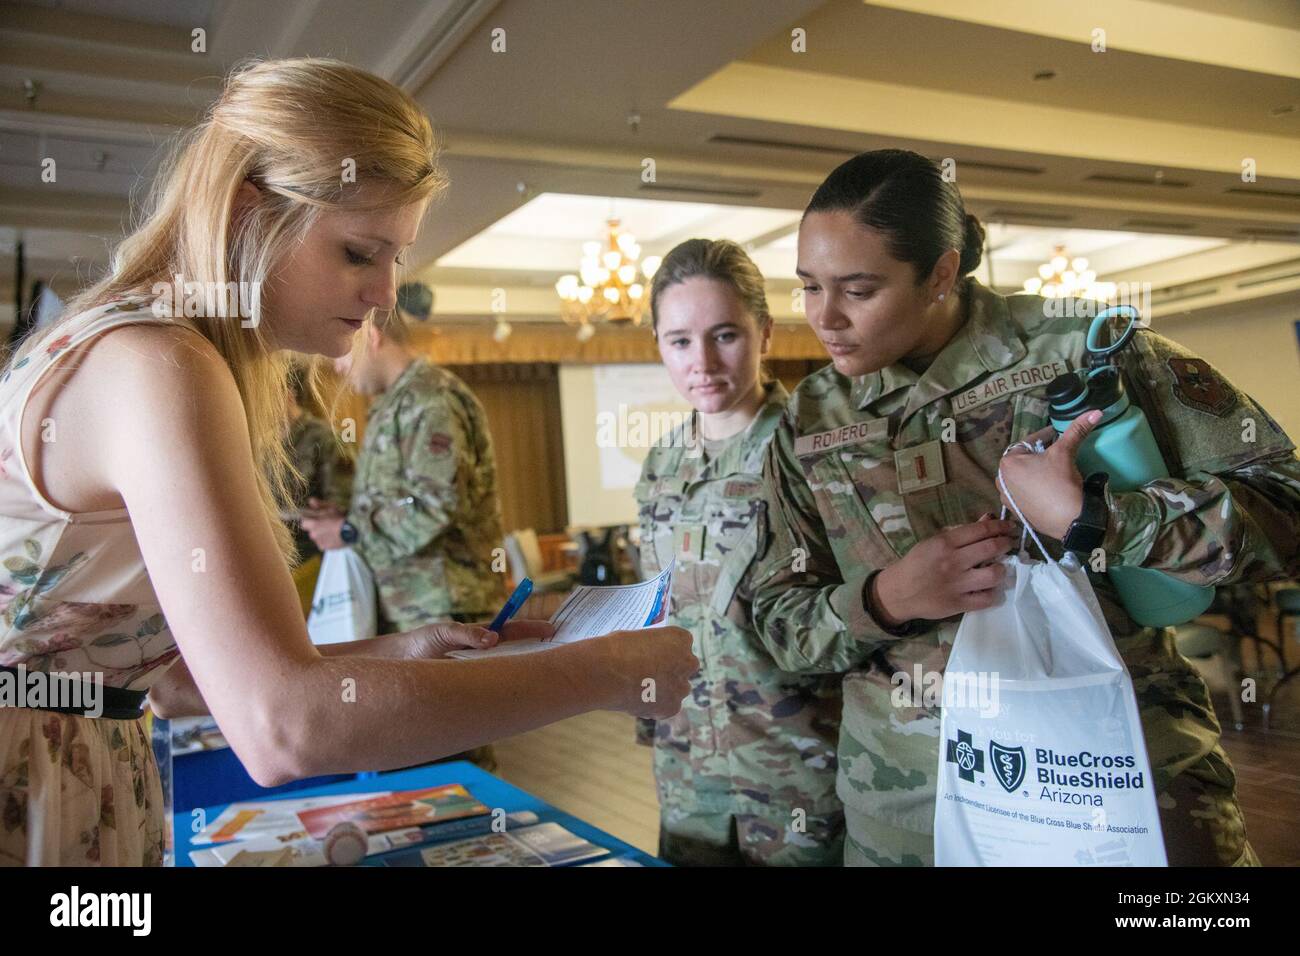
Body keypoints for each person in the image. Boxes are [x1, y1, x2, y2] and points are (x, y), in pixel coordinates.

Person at [0, 57, 695, 866]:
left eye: (395, 257)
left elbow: (178, 680)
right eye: (361, 252)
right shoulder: (159, 363)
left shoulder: (143, 344)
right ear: (245, 211)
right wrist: (607, 671)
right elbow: (281, 726)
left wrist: (394, 652)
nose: (384, 295)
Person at [749, 148, 1300, 867]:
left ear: (942, 272)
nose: (825, 318)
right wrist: (885, 599)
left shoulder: (1090, 355)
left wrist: (1102, 520)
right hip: (909, 809)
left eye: (858, 290)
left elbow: (1286, 509)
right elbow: (776, 621)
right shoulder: (809, 421)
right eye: (808, 287)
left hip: (1111, 781)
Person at [634, 239, 844, 866]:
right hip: (687, 778)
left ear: (766, 333)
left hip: (796, 774)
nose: (702, 361)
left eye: (725, 335)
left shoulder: (815, 451)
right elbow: (655, 609)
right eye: (679, 341)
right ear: (658, 345)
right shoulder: (661, 464)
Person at [301, 304, 505, 629]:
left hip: (444, 609)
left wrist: (349, 530)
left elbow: (434, 504)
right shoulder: (396, 404)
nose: (338, 367)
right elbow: (401, 499)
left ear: (372, 337)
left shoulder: (431, 401)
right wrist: (343, 517)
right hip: (412, 608)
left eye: (341, 353)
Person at [282, 362, 352, 612]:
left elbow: (342, 504)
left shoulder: (324, 439)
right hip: (277, 558)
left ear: (287, 394)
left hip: (314, 558)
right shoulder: (263, 443)